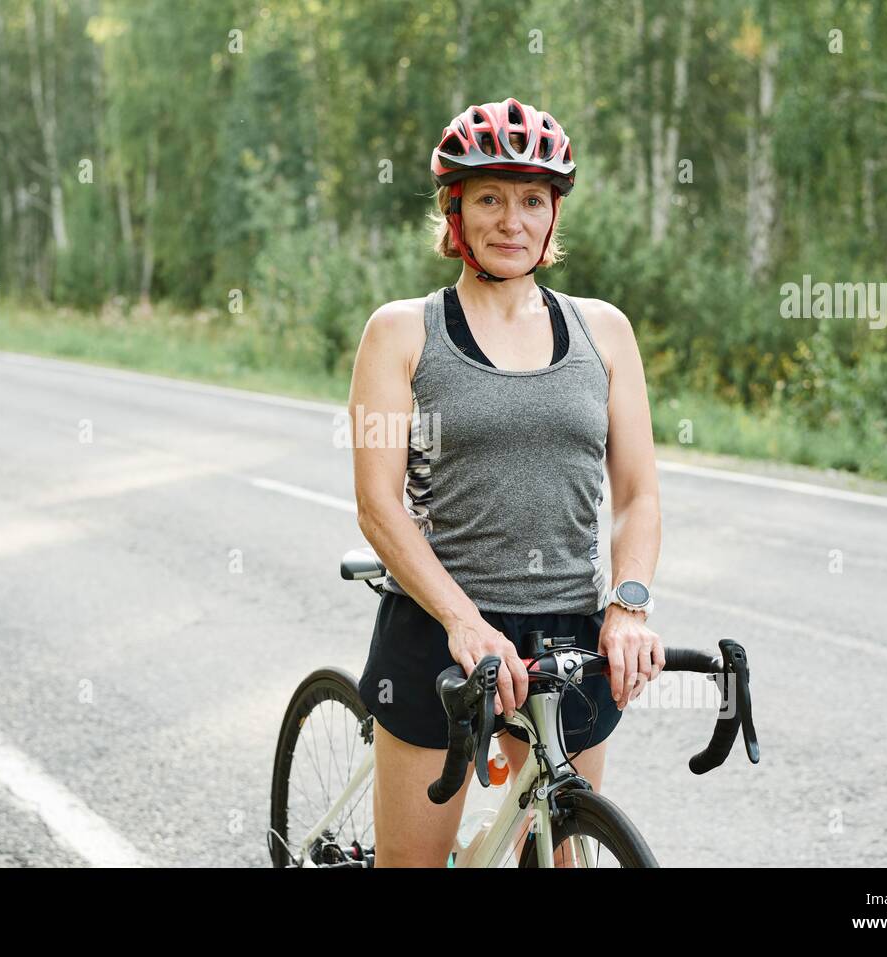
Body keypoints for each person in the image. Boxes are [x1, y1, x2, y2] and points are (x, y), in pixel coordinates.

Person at [347, 97, 664, 868]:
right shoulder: (401, 331)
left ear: (554, 214)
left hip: (568, 633)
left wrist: (626, 605)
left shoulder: (605, 331)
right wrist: (461, 619)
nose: (511, 220)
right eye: (488, 197)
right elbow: (378, 505)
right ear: (455, 211)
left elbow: (638, 496)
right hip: (440, 634)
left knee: (560, 847)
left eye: (531, 200)